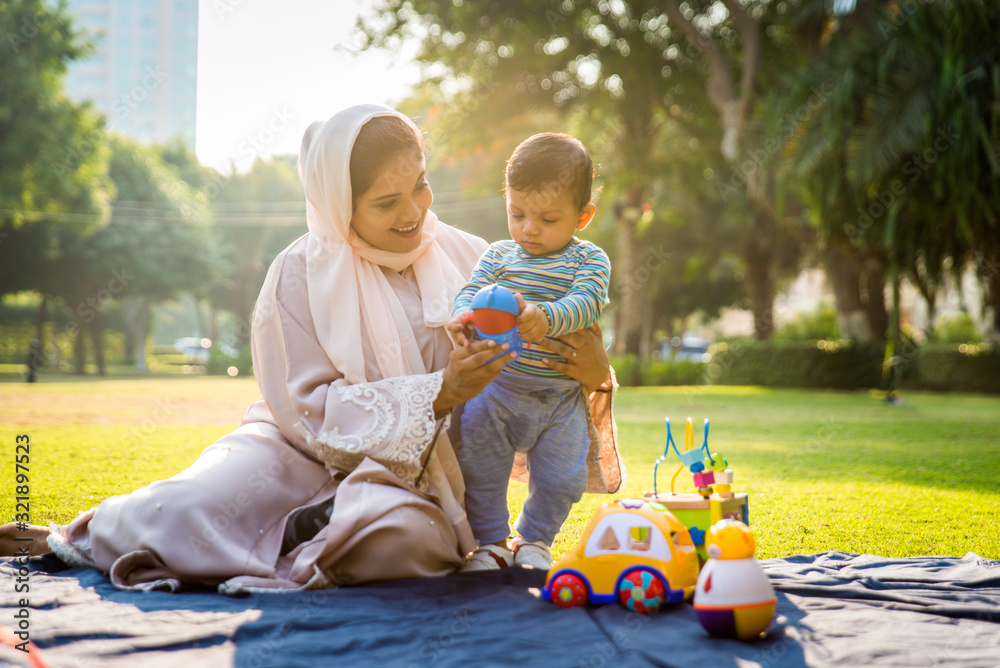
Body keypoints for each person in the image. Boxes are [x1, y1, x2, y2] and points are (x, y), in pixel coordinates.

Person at [0, 105, 620, 592]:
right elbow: (305, 410)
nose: (414, 213)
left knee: (396, 540)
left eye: (421, 188)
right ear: (337, 201)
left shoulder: (471, 258)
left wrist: (597, 372)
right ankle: (76, 537)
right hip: (294, 449)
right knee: (194, 508)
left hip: (416, 473)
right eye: (386, 202)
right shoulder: (298, 273)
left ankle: (311, 535)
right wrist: (441, 391)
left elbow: (547, 364)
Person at [447, 133, 611, 571]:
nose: (529, 229)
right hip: (498, 390)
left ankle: (535, 539)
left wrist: (548, 317)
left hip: (559, 399)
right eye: (517, 214)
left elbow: (590, 300)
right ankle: (491, 542)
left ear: (583, 216)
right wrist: (463, 317)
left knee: (563, 477)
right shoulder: (499, 256)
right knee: (480, 466)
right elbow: (470, 293)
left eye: (547, 218)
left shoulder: (588, 260)